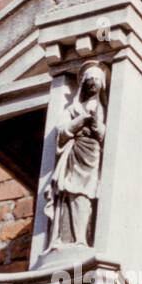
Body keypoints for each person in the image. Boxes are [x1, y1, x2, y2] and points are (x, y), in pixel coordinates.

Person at [46, 61, 107, 248]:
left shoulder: (100, 108)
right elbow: (62, 131)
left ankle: (82, 238)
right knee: (68, 192)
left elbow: (102, 134)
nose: (93, 82)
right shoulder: (71, 109)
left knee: (86, 195)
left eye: (97, 79)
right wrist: (82, 119)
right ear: (83, 83)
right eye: (90, 79)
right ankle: (65, 239)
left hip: (92, 155)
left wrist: (95, 121)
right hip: (74, 153)